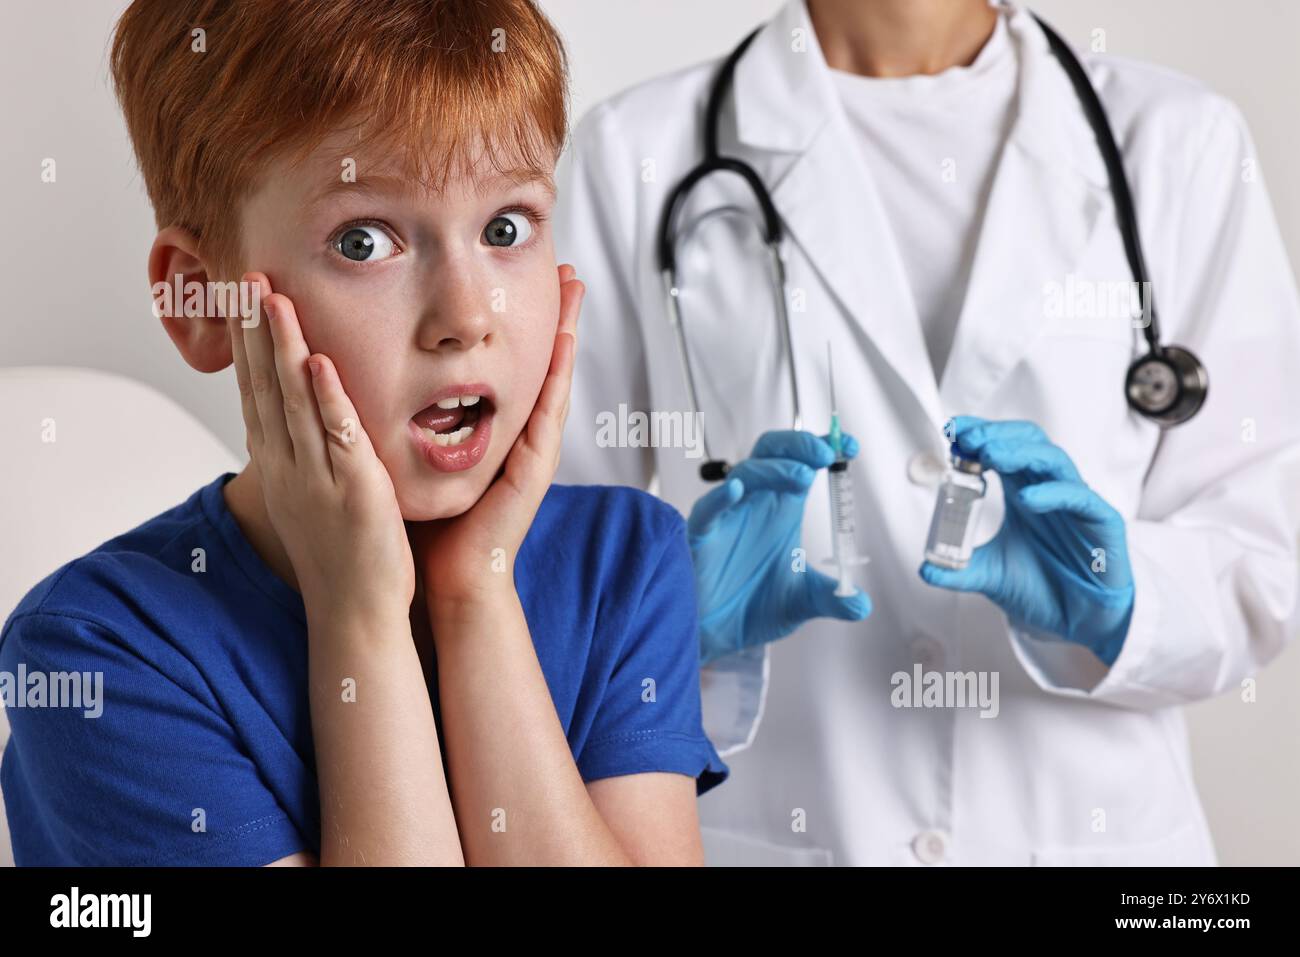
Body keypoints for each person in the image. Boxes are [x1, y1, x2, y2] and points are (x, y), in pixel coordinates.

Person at [555, 0, 1300, 864]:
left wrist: (1124, 597)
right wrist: (680, 623)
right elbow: (550, 558)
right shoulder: (636, 151)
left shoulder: (1178, 144)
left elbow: (1267, 544)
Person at [0, 0, 727, 866]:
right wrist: (359, 615)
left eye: (505, 228)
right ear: (201, 299)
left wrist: (474, 594)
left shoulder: (626, 562)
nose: (466, 316)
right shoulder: (96, 653)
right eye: (363, 240)